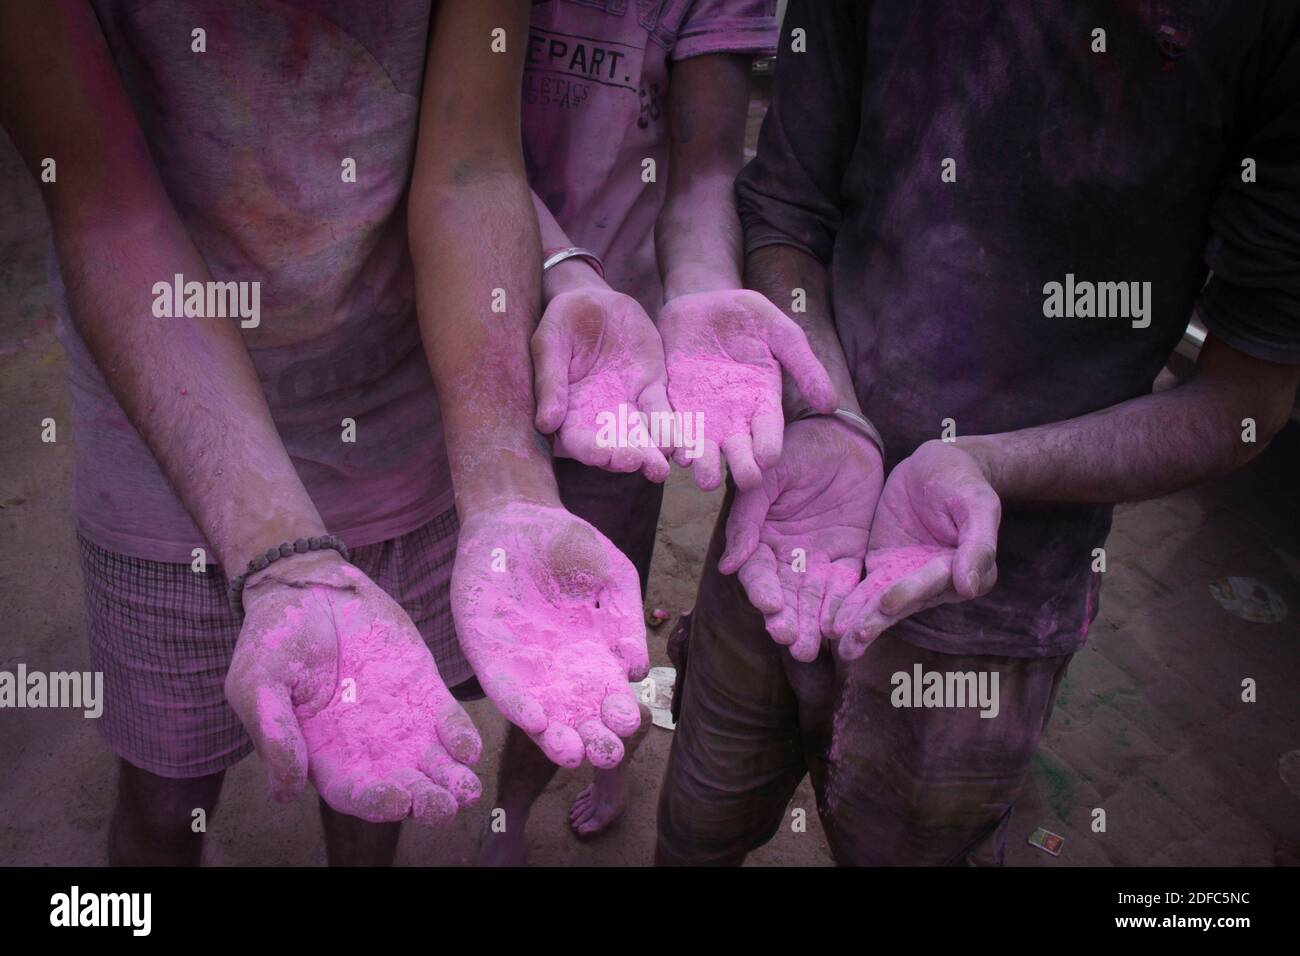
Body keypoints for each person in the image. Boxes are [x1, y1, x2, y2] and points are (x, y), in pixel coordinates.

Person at [0, 0, 647, 866]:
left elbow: (471, 166)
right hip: (162, 431)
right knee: (163, 795)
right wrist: (285, 559)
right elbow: (108, 211)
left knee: (377, 770)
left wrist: (508, 489)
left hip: (407, 402)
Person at [656, 0, 1300, 865]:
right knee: (697, 826)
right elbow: (785, 210)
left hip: (999, 598)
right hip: (785, 521)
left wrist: (989, 467)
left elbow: (1244, 402)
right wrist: (830, 411)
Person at [476, 0, 801, 866]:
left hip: (623, 372)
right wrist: (562, 271)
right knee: (490, 596)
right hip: (460, 328)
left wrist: (696, 290)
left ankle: (525, 802)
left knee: (587, 608)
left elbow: (704, 171)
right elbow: (459, 159)